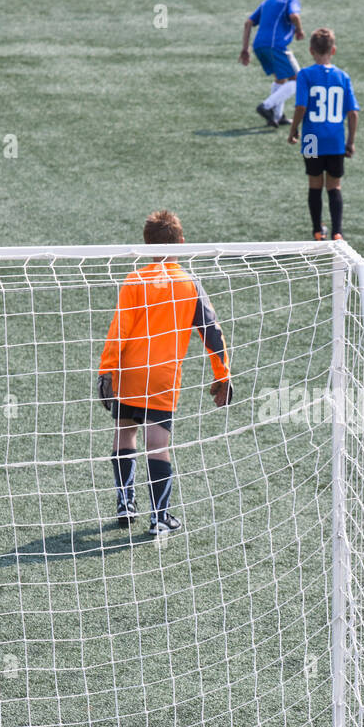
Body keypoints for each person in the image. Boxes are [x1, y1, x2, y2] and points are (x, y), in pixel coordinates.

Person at [98, 211, 232, 539]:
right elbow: (212, 333)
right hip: (162, 378)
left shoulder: (134, 280)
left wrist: (107, 371)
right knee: (157, 445)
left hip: (129, 372)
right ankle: (160, 517)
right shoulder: (189, 283)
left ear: (146, 245)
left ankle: (125, 503)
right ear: (182, 243)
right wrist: (223, 374)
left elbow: (119, 330)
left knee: (125, 432)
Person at [288, 28, 359, 243]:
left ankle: (318, 231)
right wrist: (350, 141)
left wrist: (294, 130)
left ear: (311, 51)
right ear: (333, 50)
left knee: (314, 185)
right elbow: (353, 112)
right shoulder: (342, 76)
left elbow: (301, 106)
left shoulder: (305, 75)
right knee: (334, 186)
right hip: (336, 139)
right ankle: (337, 232)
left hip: (312, 139)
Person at [239, 0, 305, 127]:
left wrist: (245, 49)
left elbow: (248, 23)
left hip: (259, 46)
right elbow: (294, 16)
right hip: (276, 45)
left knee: (280, 79)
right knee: (298, 80)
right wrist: (299, 30)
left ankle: (277, 116)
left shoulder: (267, 1)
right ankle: (266, 106)